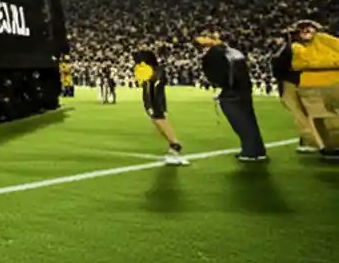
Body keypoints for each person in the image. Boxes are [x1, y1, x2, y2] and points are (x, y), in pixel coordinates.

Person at [196, 30, 268, 161]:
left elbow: (217, 73)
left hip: (230, 91)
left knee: (239, 121)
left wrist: (219, 87)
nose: (199, 41)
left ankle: (250, 152)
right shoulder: (233, 51)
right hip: (244, 89)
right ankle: (258, 150)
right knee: (249, 119)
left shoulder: (215, 53)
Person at [271, 26, 331, 155]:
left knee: (301, 115)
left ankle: (312, 142)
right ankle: (319, 140)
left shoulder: (289, 48)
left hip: (292, 83)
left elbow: (277, 65)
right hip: (309, 83)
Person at [289, 20, 339, 160]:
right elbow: (298, 64)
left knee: (325, 117)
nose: (305, 31)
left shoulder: (325, 40)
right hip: (311, 87)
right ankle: (326, 147)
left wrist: (316, 64)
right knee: (318, 117)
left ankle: (326, 145)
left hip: (330, 84)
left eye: (308, 28)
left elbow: (304, 63)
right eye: (301, 29)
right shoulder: (296, 47)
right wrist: (331, 63)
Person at [132, 50, 188, 166]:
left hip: (154, 101)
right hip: (155, 100)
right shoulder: (155, 70)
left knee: (160, 121)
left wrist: (152, 105)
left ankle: (175, 147)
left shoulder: (152, 71)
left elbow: (153, 88)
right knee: (158, 122)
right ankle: (173, 147)